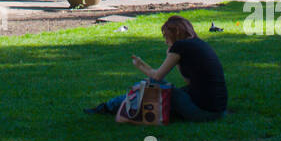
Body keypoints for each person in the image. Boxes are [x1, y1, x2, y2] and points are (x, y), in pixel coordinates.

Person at [85, 16, 227, 121]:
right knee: (158, 91)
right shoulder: (197, 43)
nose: (165, 41)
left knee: (151, 85)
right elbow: (189, 81)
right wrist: (176, 61)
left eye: (166, 36)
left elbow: (158, 77)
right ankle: (113, 107)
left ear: (175, 33)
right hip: (218, 110)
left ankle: (109, 107)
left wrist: (141, 66)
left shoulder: (180, 46)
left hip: (202, 112)